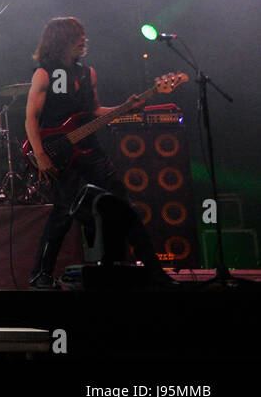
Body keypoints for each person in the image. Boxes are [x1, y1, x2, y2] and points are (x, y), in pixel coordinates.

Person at [24, 17, 167, 288]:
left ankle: (155, 273)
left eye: (84, 34)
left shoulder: (88, 73)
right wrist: (40, 155)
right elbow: (31, 118)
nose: (83, 39)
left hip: (90, 149)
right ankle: (40, 274)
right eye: (77, 35)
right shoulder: (43, 73)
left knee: (125, 205)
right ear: (61, 39)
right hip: (59, 154)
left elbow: (95, 112)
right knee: (64, 212)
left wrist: (126, 107)